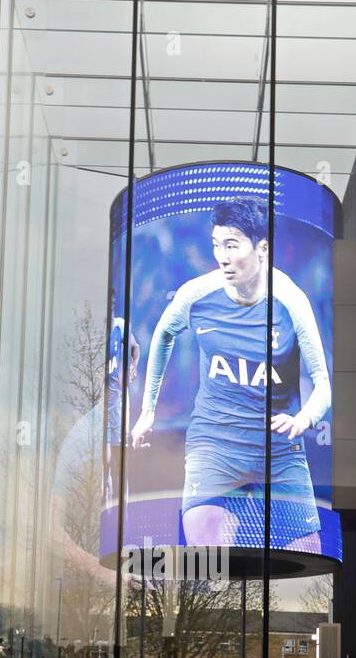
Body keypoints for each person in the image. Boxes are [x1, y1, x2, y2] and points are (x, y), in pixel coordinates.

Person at [130, 195, 331, 553]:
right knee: (205, 547)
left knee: (310, 554)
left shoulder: (291, 301)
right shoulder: (198, 294)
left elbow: (323, 384)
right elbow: (163, 335)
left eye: (232, 245)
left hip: (278, 450)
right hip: (215, 441)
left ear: (262, 248)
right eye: (216, 245)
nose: (222, 256)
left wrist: (305, 418)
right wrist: (148, 410)